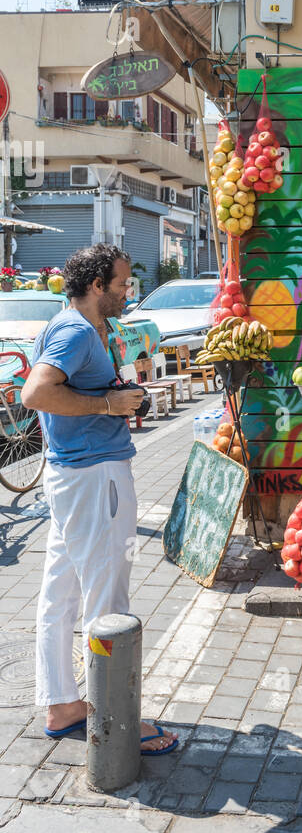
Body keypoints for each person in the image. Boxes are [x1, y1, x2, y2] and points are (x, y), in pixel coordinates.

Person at [22, 244, 178, 755]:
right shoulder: (73, 330)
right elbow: (36, 394)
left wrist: (115, 393)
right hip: (96, 478)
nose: (127, 291)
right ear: (96, 286)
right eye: (122, 283)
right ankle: (114, 721)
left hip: (75, 476)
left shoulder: (72, 324)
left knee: (60, 596)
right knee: (107, 598)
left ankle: (64, 706)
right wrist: (109, 402)